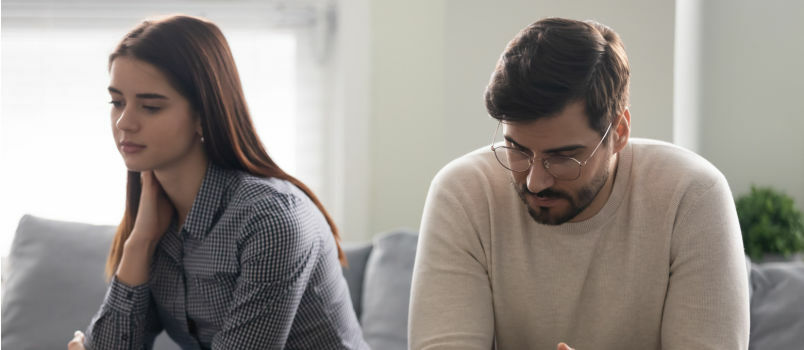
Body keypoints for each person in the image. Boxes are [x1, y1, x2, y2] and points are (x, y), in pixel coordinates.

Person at [408, 18, 749, 349]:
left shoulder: (692, 197)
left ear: (619, 132)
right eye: (517, 149)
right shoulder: (464, 194)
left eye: (563, 157)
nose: (535, 181)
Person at [66, 15, 368, 350]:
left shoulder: (271, 220)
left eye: (150, 107)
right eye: (117, 102)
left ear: (202, 114)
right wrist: (140, 242)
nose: (124, 122)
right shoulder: (156, 220)